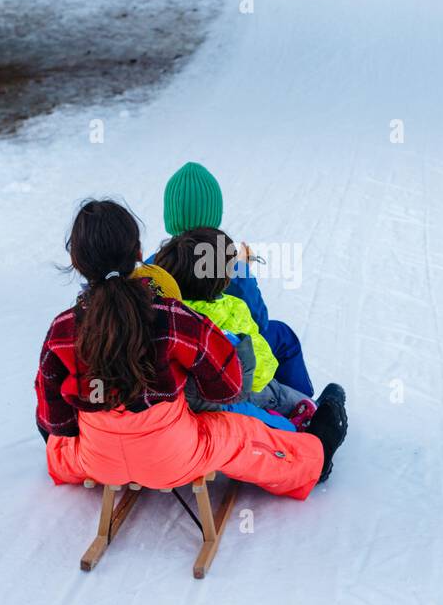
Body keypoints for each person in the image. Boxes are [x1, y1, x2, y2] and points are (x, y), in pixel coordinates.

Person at [36, 200, 348, 496]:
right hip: (173, 458)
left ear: (76, 262)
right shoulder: (173, 316)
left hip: (98, 462)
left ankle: (102, 454)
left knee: (61, 447)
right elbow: (227, 389)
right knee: (238, 432)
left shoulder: (62, 330)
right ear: (139, 253)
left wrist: (109, 414)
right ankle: (312, 459)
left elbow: (56, 423)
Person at [161, 162, 314, 396]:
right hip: (227, 358)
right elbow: (259, 322)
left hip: (181, 359)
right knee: (281, 334)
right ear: (214, 214)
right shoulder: (228, 267)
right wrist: (242, 267)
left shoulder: (157, 262)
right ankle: (301, 406)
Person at [153, 227, 317, 428]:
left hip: (191, 394)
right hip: (238, 392)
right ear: (222, 281)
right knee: (290, 397)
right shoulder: (232, 309)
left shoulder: (162, 305)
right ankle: (309, 412)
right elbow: (258, 371)